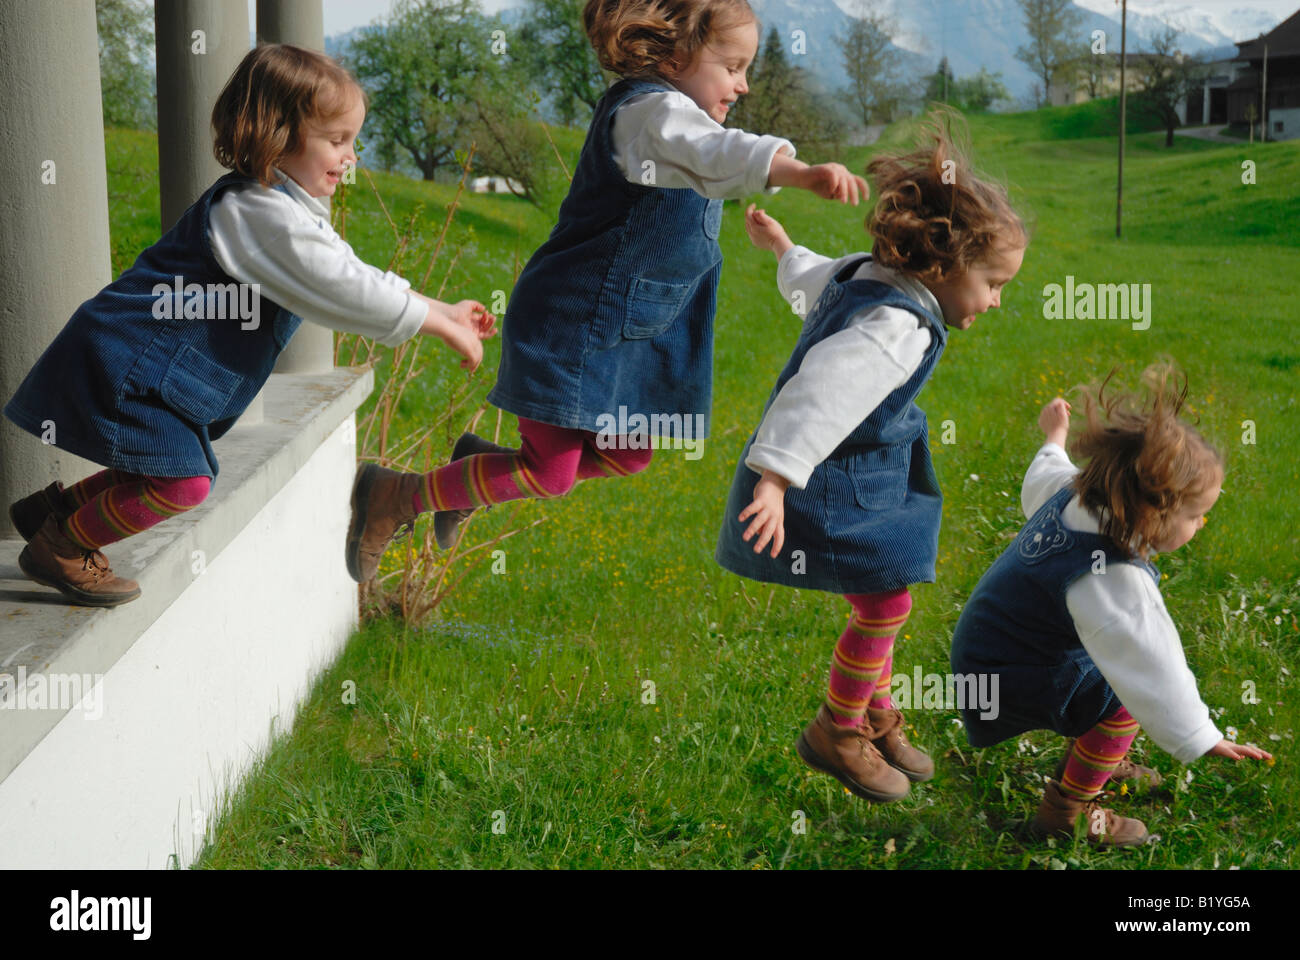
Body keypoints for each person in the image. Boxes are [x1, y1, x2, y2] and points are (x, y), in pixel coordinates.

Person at [344, 0, 869, 581]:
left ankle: (476, 470)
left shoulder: (683, 122)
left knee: (629, 453)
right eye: (732, 67)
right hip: (573, 322)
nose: (743, 85)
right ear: (675, 55)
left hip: (629, 334)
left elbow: (711, 151)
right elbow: (713, 152)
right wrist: (798, 172)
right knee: (549, 474)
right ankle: (395, 495)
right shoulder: (648, 115)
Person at [6, 44, 495, 606]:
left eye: (353, 141)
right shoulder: (256, 212)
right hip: (129, 359)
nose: (350, 157)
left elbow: (350, 271)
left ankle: (56, 511)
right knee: (182, 482)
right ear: (277, 135)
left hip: (140, 361)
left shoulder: (285, 208)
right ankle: (62, 545)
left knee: (160, 466)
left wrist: (441, 309)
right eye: (337, 140)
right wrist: (437, 326)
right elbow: (339, 289)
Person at [714, 114, 1026, 802]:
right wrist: (774, 480)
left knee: (882, 590)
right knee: (886, 603)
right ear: (943, 266)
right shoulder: (897, 327)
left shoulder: (866, 273)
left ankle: (875, 713)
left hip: (863, 473)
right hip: (832, 480)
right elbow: (820, 390)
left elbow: (814, 284)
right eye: (993, 282)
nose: (997, 300)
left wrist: (782, 247)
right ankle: (840, 727)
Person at [950, 372, 1273, 845]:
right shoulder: (1112, 574)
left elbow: (1043, 471)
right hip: (1007, 674)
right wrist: (1203, 736)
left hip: (986, 653)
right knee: (1124, 698)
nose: (1202, 523)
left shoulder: (1076, 491)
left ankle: (1099, 754)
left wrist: (1054, 436)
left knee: (1104, 674)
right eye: (1194, 515)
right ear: (1152, 514)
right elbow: (1152, 665)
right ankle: (1068, 811)